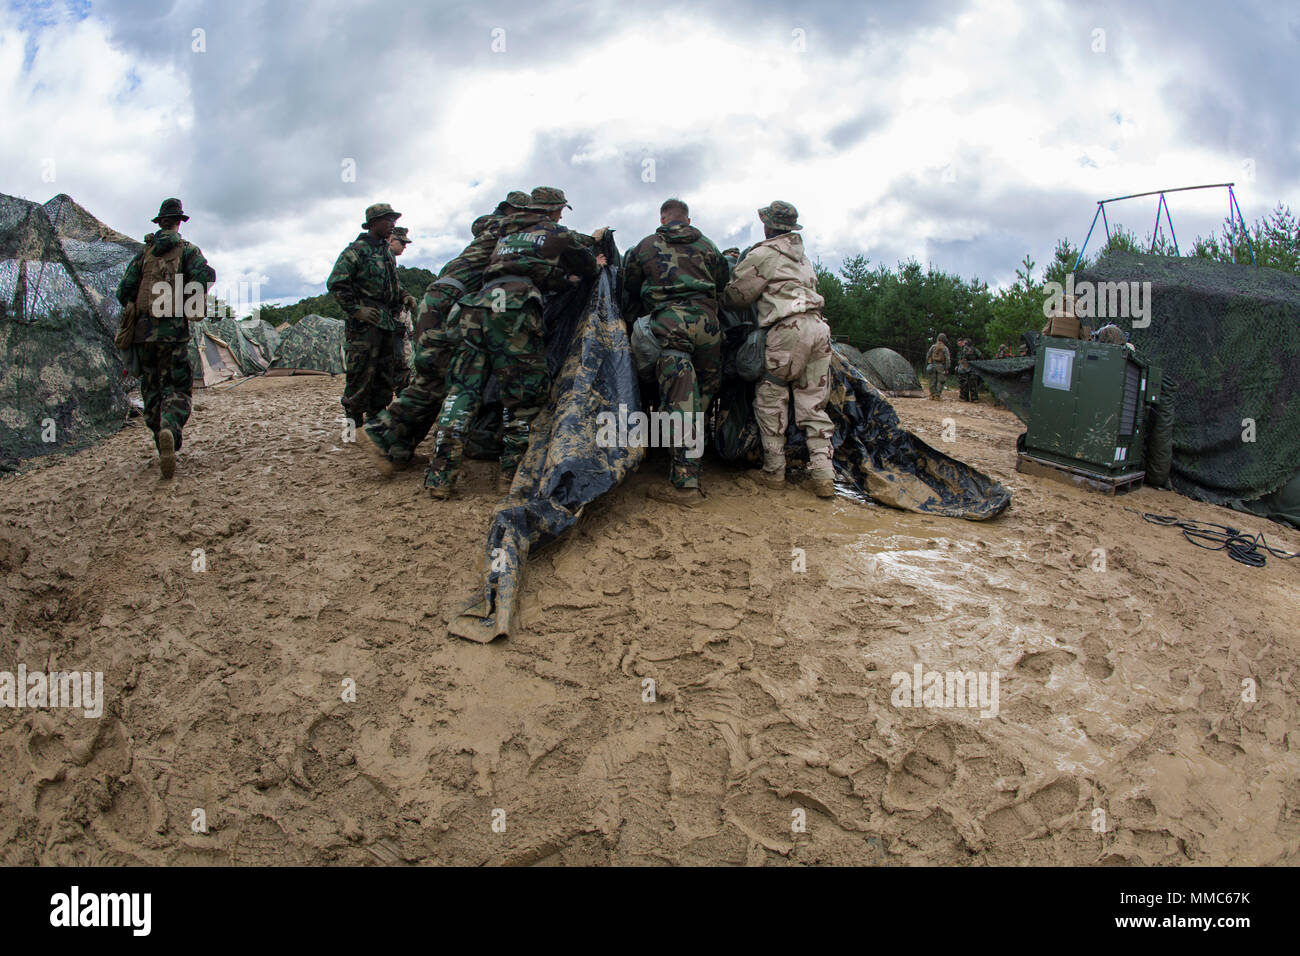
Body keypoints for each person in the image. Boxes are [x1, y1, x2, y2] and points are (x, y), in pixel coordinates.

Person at [425, 186, 605, 498]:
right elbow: (586, 264)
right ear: (552, 210)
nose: (562, 215)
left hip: (476, 307)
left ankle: (440, 476)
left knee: (462, 391)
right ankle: (510, 475)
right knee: (523, 393)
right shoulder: (554, 232)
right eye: (561, 209)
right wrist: (595, 260)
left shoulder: (505, 234)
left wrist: (560, 279)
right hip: (513, 308)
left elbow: (536, 270)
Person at [359, 193, 530, 474]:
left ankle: (399, 450)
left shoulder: (489, 230)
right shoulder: (505, 228)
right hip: (447, 304)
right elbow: (547, 237)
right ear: (515, 211)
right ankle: (379, 432)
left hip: (440, 300)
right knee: (436, 379)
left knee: (439, 378)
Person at [722, 200, 835, 499]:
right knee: (813, 405)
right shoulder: (803, 258)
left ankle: (774, 471)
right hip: (820, 329)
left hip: (789, 330)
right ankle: (824, 475)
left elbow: (736, 295)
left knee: (771, 396)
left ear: (768, 224)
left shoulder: (765, 253)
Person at [623, 198, 729, 506]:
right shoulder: (709, 245)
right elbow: (723, 281)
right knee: (703, 393)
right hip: (709, 328)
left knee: (681, 401)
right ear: (688, 220)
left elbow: (629, 285)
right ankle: (694, 452)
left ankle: (685, 485)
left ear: (662, 218)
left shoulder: (645, 246)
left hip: (671, 327)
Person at [115, 198, 215, 479]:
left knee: (151, 390)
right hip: (173, 333)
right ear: (179, 222)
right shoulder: (188, 251)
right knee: (178, 388)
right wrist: (186, 296)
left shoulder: (143, 254)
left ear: (159, 223)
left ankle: (161, 441)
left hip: (143, 334)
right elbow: (206, 276)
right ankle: (170, 429)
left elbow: (124, 291)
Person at [326, 203, 416, 427]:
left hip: (386, 321)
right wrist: (358, 310)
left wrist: (404, 295)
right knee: (361, 371)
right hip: (364, 325)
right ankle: (354, 417)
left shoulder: (386, 252)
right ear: (374, 223)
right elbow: (336, 283)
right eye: (388, 221)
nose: (392, 225)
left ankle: (377, 414)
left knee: (384, 372)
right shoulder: (356, 250)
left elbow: (393, 283)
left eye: (394, 221)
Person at [388, 225, 414, 392]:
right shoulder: (383, 257)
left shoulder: (390, 260)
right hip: (385, 321)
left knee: (399, 363)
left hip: (393, 320)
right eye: (402, 243)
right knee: (397, 362)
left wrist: (405, 296)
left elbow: (395, 286)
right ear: (391, 240)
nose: (405, 247)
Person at [925, 333, 950, 400]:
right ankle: (937, 395)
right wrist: (947, 368)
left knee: (932, 380)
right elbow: (947, 358)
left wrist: (928, 362)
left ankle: (931, 395)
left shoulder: (933, 346)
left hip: (933, 364)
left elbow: (928, 355)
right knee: (940, 381)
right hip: (940, 366)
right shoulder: (945, 348)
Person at [956, 337, 982, 402]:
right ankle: (974, 398)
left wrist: (959, 365)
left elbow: (960, 358)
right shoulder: (975, 349)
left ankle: (963, 397)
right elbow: (981, 356)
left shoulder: (963, 349)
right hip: (973, 368)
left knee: (963, 383)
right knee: (973, 384)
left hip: (964, 368)